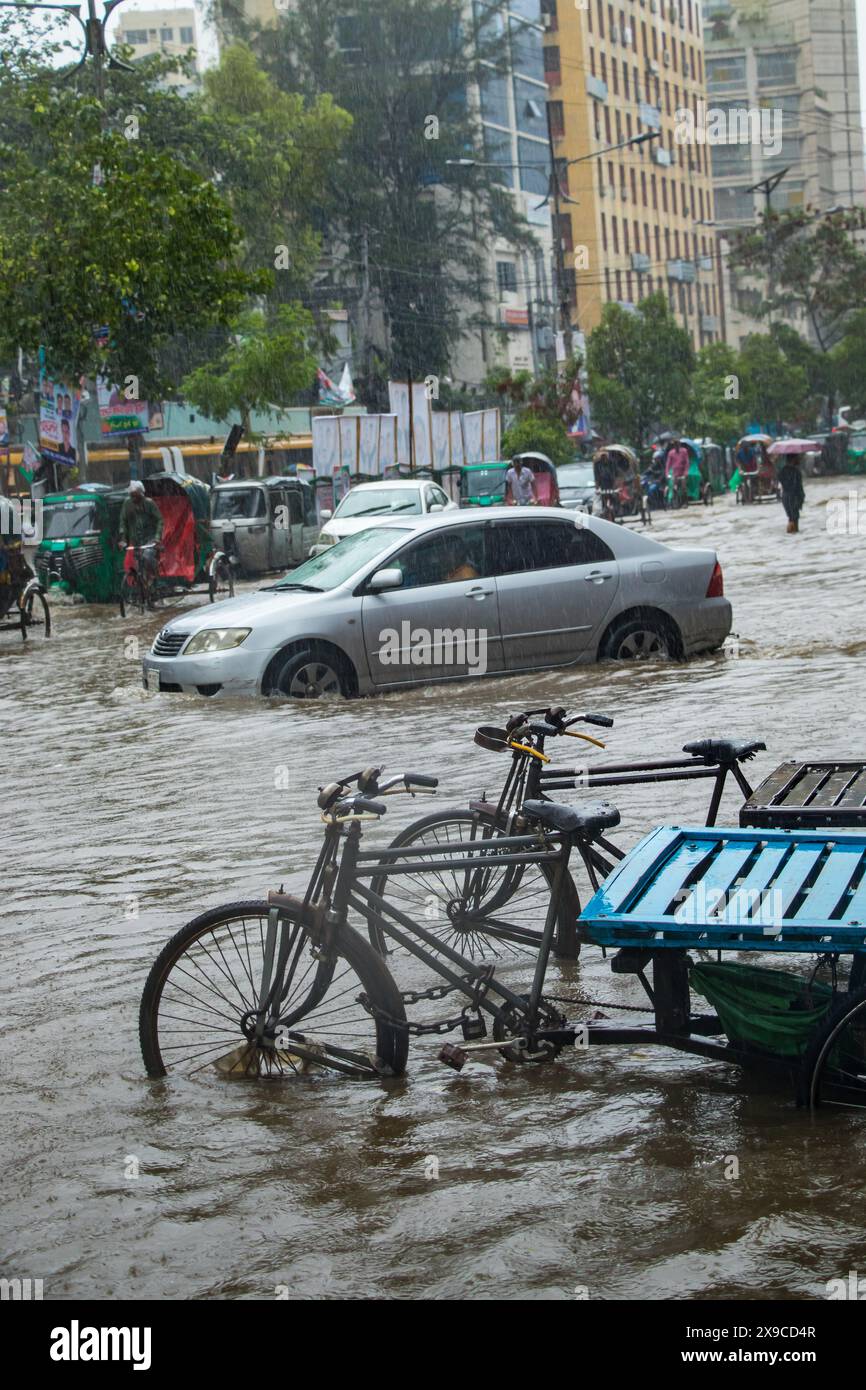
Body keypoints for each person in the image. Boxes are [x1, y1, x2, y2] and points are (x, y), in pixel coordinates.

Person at [118, 481, 164, 581]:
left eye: (136, 496)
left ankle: (153, 578)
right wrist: (123, 539)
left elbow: (160, 520)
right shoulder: (127, 504)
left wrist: (157, 537)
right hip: (135, 540)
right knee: (132, 562)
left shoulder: (149, 503)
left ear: (141, 494)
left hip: (149, 538)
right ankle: (138, 583)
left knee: (147, 557)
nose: (134, 498)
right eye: (131, 496)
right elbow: (123, 522)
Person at [777, 454, 805, 534]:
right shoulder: (796, 472)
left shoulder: (782, 471)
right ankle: (794, 536)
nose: (799, 460)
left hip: (786, 497)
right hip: (792, 497)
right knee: (793, 518)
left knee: (792, 517)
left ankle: (792, 538)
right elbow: (798, 487)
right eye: (797, 458)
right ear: (793, 459)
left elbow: (781, 481)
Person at [665, 437, 690, 506]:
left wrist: (685, 473)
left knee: (683, 487)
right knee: (672, 486)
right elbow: (668, 464)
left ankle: (685, 502)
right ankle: (672, 501)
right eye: (675, 444)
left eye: (677, 444)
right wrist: (667, 474)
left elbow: (687, 462)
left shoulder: (684, 451)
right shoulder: (671, 453)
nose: (676, 445)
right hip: (674, 474)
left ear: (679, 444)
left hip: (682, 473)